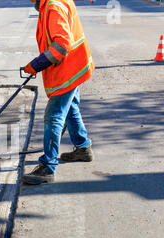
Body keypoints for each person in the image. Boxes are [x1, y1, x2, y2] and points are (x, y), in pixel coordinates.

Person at [22, 0, 95, 185]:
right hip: (75, 66)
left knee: (54, 115)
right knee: (71, 109)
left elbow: (62, 44)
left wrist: (37, 64)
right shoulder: (53, 3)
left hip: (67, 71)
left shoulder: (53, 7)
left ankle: (48, 166)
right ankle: (83, 147)